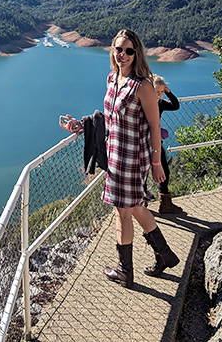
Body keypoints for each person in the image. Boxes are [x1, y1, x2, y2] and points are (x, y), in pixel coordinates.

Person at [66, 29, 179, 288]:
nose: (123, 55)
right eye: (119, 49)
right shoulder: (112, 78)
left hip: (132, 159)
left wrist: (156, 163)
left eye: (129, 50)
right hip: (114, 155)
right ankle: (165, 254)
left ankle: (124, 271)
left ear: (137, 53)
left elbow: (154, 125)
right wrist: (82, 125)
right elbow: (109, 118)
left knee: (122, 212)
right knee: (136, 207)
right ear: (112, 51)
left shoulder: (143, 86)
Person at [152, 74, 183, 214]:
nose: (159, 95)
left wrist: (168, 92)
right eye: (156, 92)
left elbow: (175, 105)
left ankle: (165, 204)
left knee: (164, 170)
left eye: (161, 92)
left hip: (156, 142)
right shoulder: (143, 103)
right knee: (142, 173)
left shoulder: (160, 103)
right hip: (144, 142)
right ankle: (142, 205)